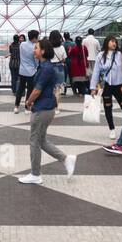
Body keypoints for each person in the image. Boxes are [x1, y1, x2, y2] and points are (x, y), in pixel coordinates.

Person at [18, 38, 77, 184]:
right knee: (41, 140)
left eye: (36, 48)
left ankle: (35, 174)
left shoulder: (45, 68)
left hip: (42, 109)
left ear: (43, 51)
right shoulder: (44, 66)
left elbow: (37, 90)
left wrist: (28, 101)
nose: (34, 50)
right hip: (46, 107)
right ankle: (66, 159)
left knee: (34, 141)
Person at [90, 35, 122, 143]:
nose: (114, 43)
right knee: (108, 107)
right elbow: (96, 72)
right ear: (107, 42)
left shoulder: (120, 55)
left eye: (115, 42)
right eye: (112, 41)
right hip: (107, 85)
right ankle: (111, 129)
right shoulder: (100, 56)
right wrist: (93, 87)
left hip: (119, 85)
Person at [14, 29, 38, 114]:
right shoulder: (34, 47)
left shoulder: (22, 44)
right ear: (34, 38)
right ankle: (27, 108)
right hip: (31, 71)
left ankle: (16, 107)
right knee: (30, 90)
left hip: (22, 70)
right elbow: (35, 60)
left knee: (20, 89)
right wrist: (36, 67)